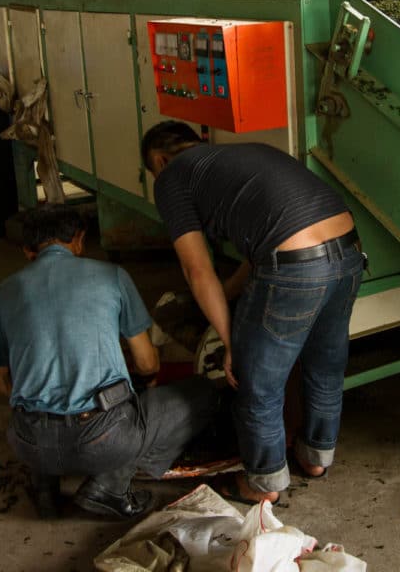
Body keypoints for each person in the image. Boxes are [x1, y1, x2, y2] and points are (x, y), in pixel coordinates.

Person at [141, 120, 365, 505]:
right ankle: (315, 458)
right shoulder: (243, 154)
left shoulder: (171, 178)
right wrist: (229, 297)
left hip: (296, 265)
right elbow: (259, 247)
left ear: (160, 160)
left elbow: (197, 271)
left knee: (255, 378)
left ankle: (264, 485)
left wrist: (232, 341)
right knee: (325, 363)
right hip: (348, 252)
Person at [0, 203, 218, 520]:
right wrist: (141, 386)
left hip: (28, 442)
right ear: (79, 240)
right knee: (201, 393)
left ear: (27, 251)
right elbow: (147, 363)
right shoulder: (112, 276)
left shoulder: (3, 292)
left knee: (37, 407)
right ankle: (109, 487)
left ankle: (44, 486)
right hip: (102, 439)